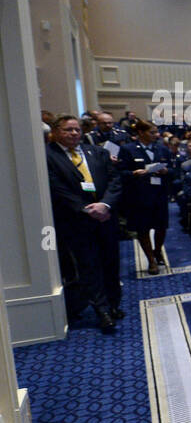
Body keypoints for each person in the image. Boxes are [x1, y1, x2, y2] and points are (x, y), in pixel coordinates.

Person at [45, 115, 123, 332]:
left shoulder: (97, 152)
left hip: (106, 218)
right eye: (68, 130)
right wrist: (86, 209)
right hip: (77, 221)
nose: (74, 134)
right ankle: (102, 311)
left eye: (77, 130)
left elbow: (114, 181)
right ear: (56, 131)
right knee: (90, 266)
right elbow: (57, 189)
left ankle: (114, 303)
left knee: (111, 263)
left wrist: (105, 205)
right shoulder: (47, 155)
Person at [118, 118, 172, 274]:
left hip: (159, 194)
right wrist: (134, 173)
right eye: (152, 132)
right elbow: (120, 172)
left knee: (161, 226)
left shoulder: (162, 149)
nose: (157, 134)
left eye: (157, 131)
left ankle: (157, 250)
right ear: (140, 132)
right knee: (143, 228)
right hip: (139, 195)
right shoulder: (128, 149)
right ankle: (151, 260)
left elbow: (174, 171)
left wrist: (166, 171)